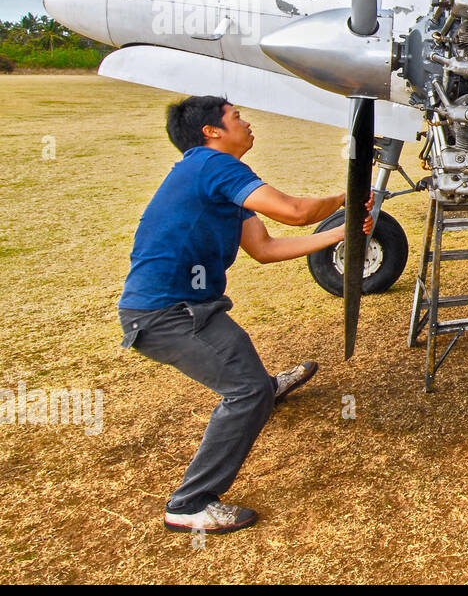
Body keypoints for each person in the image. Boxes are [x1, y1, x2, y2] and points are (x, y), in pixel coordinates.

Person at [117, 95, 372, 536]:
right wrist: (348, 195)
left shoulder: (212, 178)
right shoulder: (211, 165)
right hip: (166, 315)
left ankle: (264, 389)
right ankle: (190, 503)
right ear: (211, 131)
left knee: (241, 365)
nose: (247, 122)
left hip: (191, 307)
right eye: (236, 117)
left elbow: (265, 249)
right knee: (244, 392)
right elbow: (293, 212)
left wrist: (340, 231)